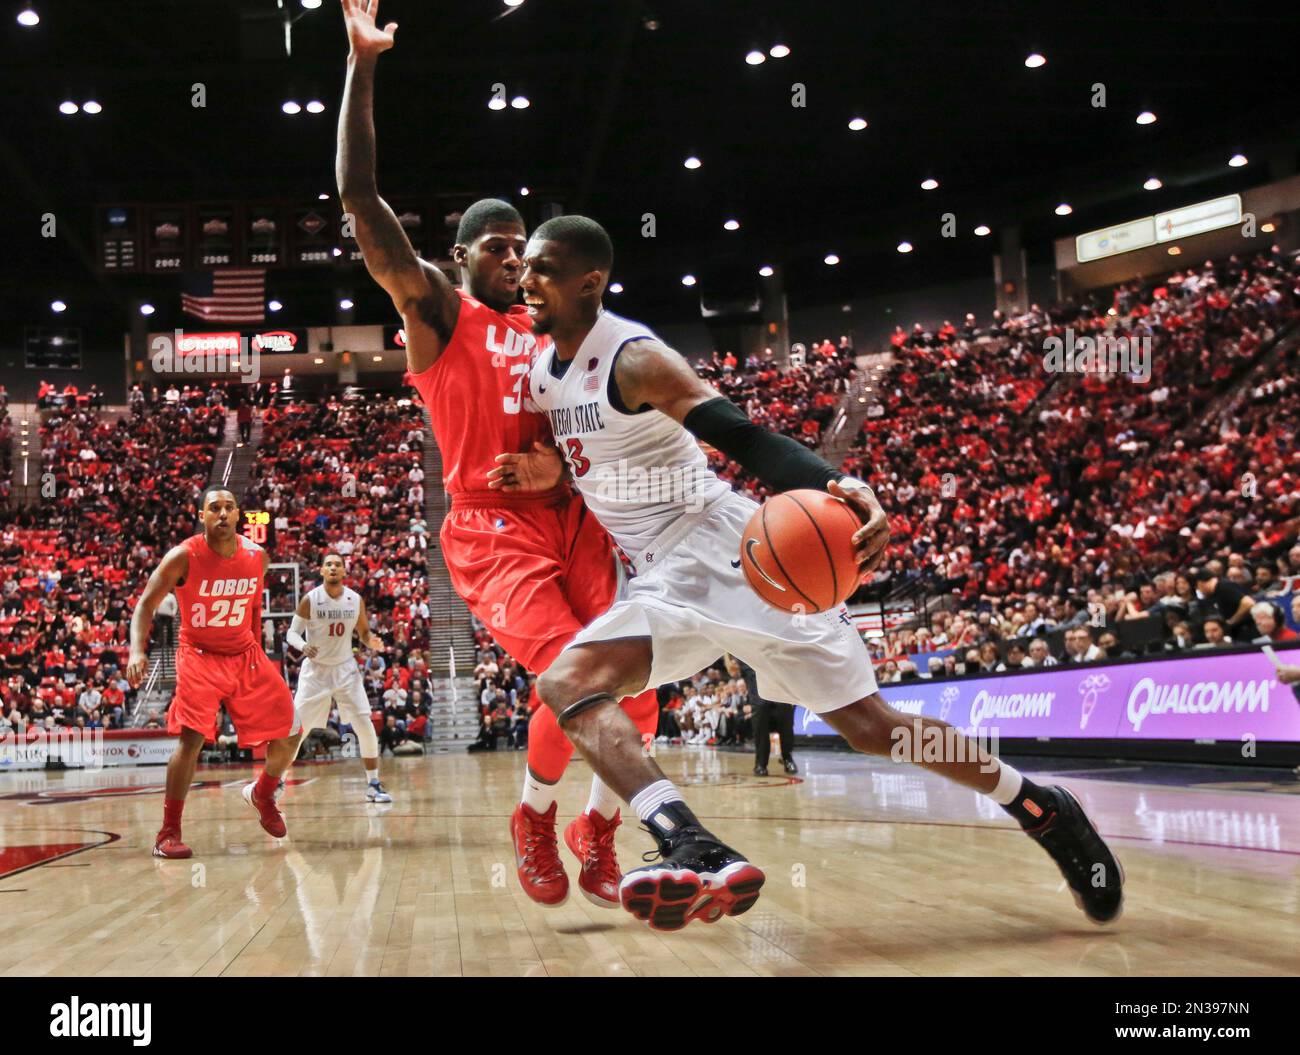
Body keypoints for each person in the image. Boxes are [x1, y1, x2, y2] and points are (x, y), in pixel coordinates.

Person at [495, 214, 1123, 931]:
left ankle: (1040, 805)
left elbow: (741, 433)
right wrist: (557, 474)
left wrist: (838, 482)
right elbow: (605, 463)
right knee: (569, 684)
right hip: (666, 578)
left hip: (727, 549)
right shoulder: (543, 379)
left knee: (872, 727)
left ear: (589, 283)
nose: (527, 280)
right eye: (525, 268)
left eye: (542, 269)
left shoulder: (633, 358)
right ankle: (686, 841)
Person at [335, 0, 658, 911]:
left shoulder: (554, 325)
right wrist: (363, 65)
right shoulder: (441, 313)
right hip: (492, 529)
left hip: (577, 518)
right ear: (458, 254)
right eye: (496, 248)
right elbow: (361, 202)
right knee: (578, 685)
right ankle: (532, 817)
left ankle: (597, 833)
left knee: (644, 693)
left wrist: (565, 469)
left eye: (522, 250)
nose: (514, 262)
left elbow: (605, 415)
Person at [127, 485, 302, 859]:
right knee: (191, 742)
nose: (222, 513)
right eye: (214, 508)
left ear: (239, 515)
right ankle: (167, 833)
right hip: (199, 655)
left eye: (229, 507)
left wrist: (255, 649)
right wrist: (136, 651)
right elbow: (145, 605)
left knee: (291, 733)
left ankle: (263, 793)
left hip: (245, 654)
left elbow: (254, 609)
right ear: (202, 516)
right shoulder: (182, 557)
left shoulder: (258, 557)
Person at [286, 552, 391, 802]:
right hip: (316, 671)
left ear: (344, 572)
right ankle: (276, 782)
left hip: (345, 669)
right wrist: (302, 646)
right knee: (296, 729)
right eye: (328, 564)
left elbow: (364, 633)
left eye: (338, 564)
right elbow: (292, 633)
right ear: (321, 571)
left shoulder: (355, 600)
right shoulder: (310, 600)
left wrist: (371, 641)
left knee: (364, 725)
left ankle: (373, 784)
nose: (333, 567)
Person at [732, 656, 796, 776]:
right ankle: (761, 763)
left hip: (779, 691)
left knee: (786, 717)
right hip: (759, 696)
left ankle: (787, 758)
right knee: (760, 724)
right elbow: (733, 668)